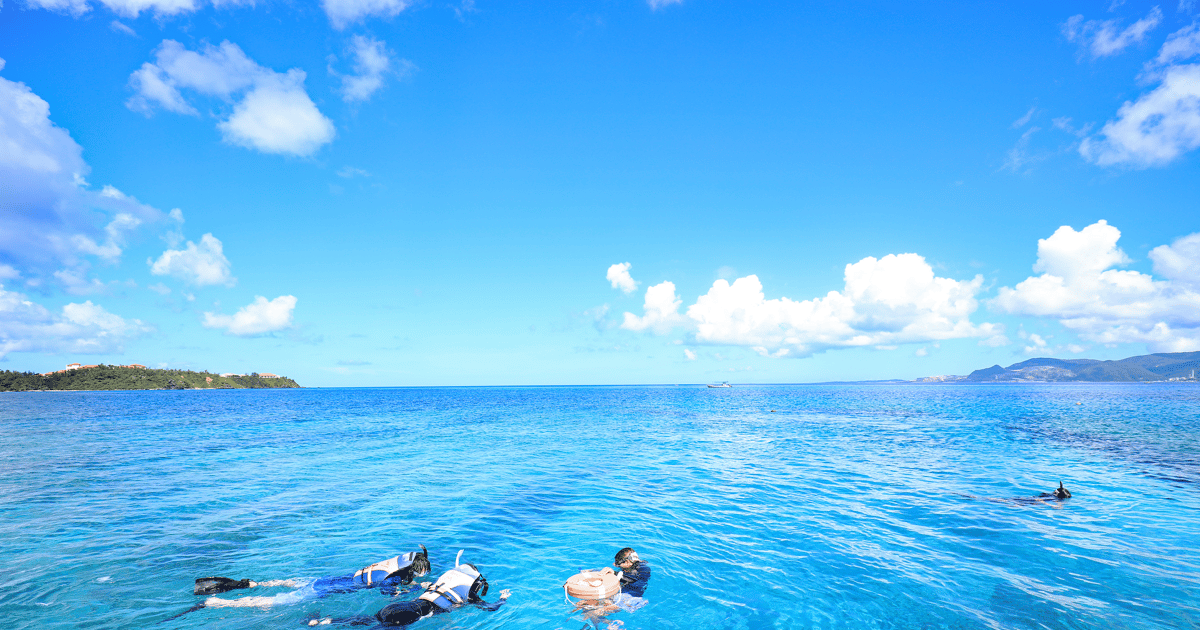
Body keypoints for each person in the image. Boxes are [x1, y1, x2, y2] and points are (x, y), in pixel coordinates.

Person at [174, 546, 430, 618]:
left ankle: (249, 584)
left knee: (285, 584)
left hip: (324, 580)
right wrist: (416, 591)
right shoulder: (394, 579)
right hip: (324, 591)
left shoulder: (389, 564)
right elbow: (391, 594)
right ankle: (217, 603)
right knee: (274, 604)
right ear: (413, 570)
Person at [311, 550, 510, 627]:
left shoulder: (442, 581)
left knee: (369, 620)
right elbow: (489, 608)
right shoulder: (468, 594)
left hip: (401, 606)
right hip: (407, 614)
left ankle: (323, 621)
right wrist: (503, 598)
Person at [612, 548, 649, 612]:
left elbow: (633, 579)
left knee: (601, 606)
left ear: (627, 562)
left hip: (630, 596)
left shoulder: (634, 572)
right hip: (635, 593)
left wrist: (614, 573)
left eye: (619, 564)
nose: (618, 566)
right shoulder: (643, 567)